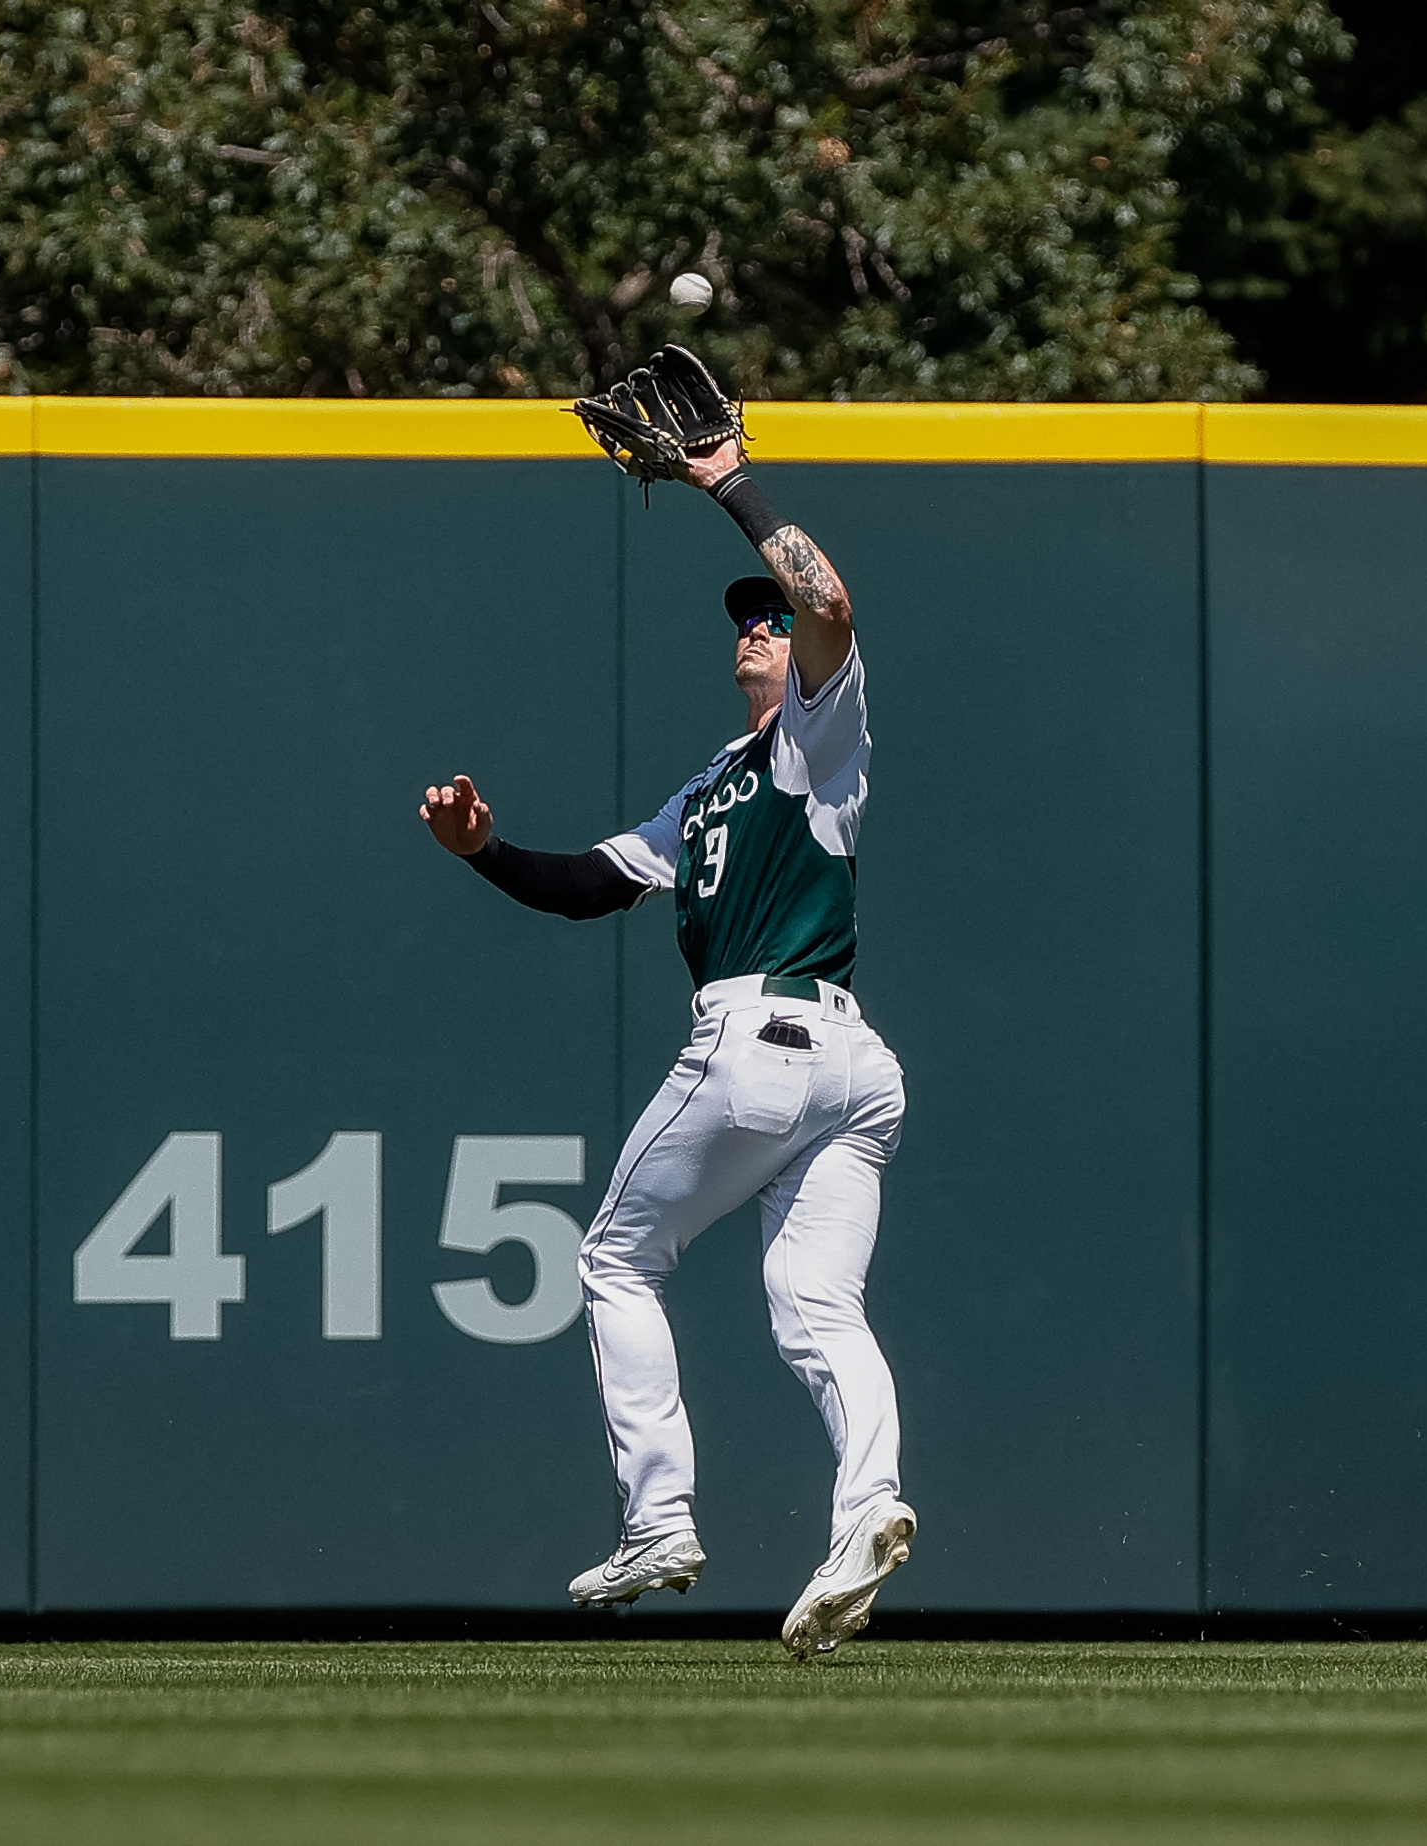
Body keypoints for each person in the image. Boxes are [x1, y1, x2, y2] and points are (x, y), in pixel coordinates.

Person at [418, 429, 915, 1662]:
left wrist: (725, 481)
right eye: (744, 621)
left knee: (612, 1261)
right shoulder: (707, 790)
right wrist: (483, 849)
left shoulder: (819, 734)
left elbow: (830, 599)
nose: (758, 628)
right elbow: (589, 882)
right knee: (814, 1304)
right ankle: (864, 1515)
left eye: (767, 619)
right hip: (849, 1068)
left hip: (761, 1038)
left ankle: (659, 1519)